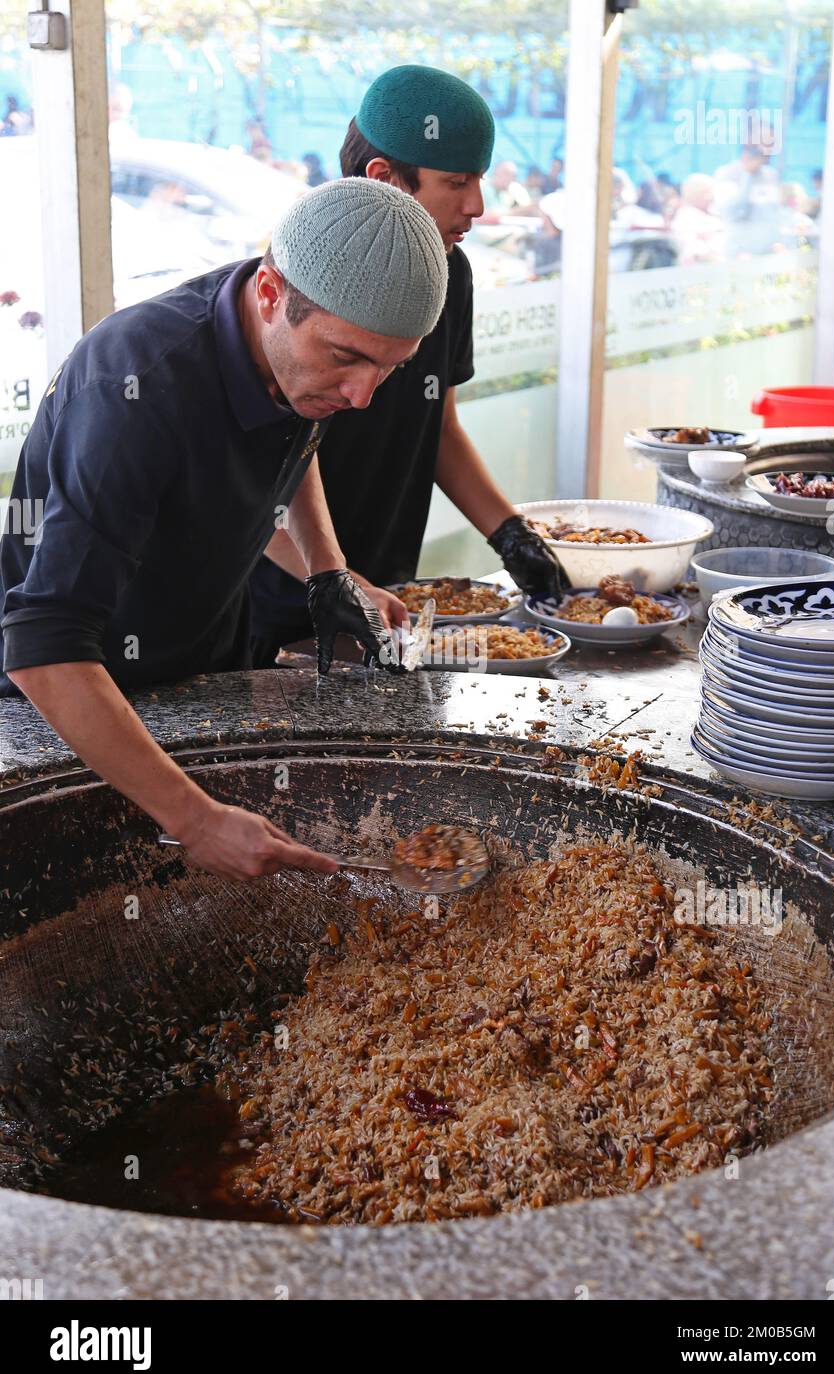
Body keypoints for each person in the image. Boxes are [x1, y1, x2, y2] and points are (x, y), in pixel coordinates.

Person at [0, 178, 448, 882]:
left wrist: (328, 568)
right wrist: (193, 819)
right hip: (73, 711)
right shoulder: (133, 392)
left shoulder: (290, 348)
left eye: (390, 370)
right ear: (271, 295)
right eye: (348, 359)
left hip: (196, 671)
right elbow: (42, 648)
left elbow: (287, 443)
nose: (362, 396)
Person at [248, 65, 567, 667]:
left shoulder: (453, 273)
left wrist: (510, 534)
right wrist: (330, 577)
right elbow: (259, 475)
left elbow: (438, 428)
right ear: (384, 178)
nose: (477, 205)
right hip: (285, 600)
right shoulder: (302, 287)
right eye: (457, 182)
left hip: (395, 586)